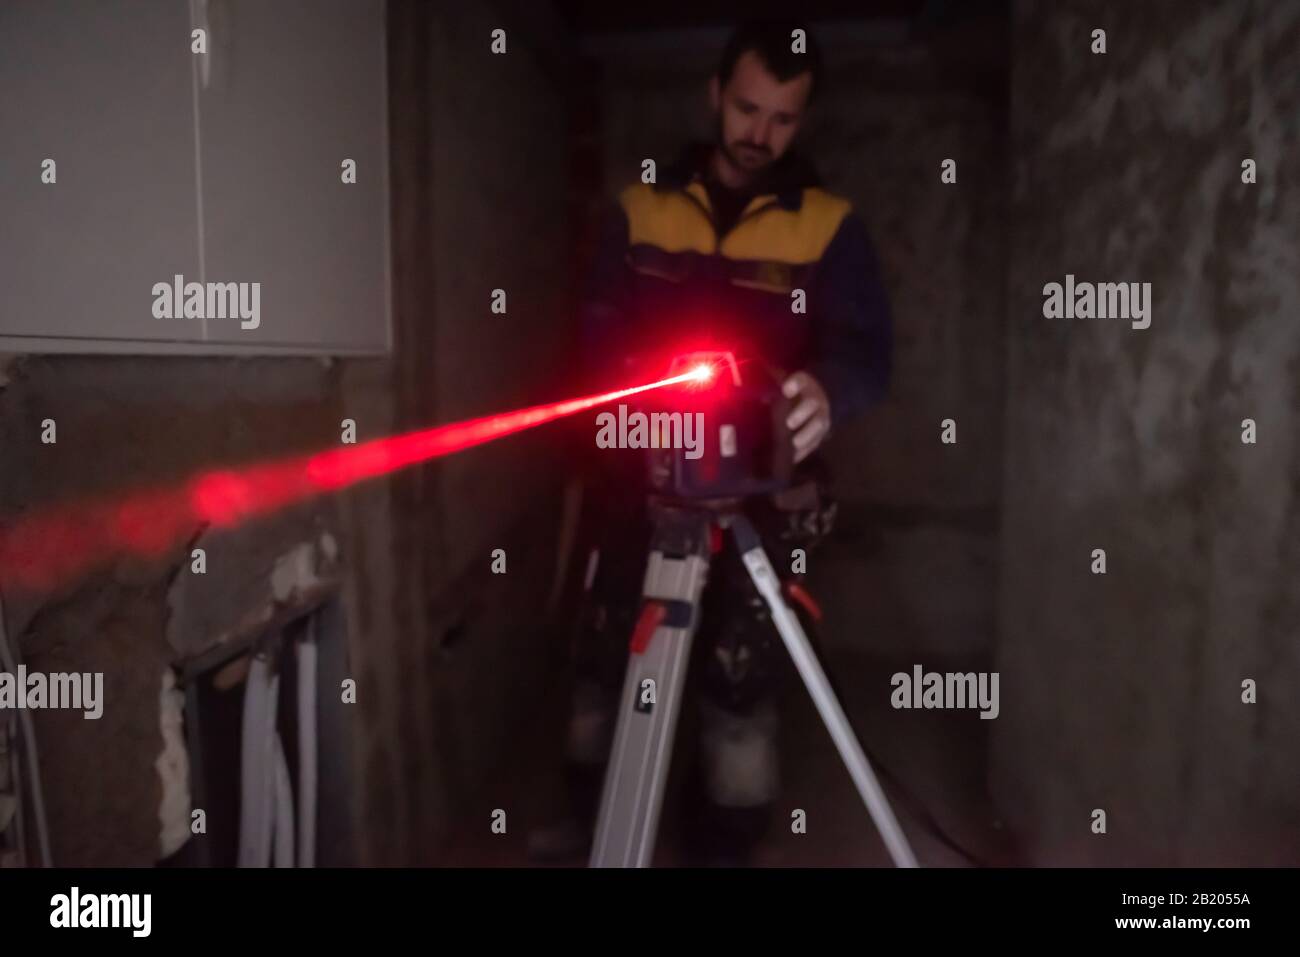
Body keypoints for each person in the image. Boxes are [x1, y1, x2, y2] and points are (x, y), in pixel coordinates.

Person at [530, 19, 893, 866]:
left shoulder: (830, 227)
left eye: (782, 118)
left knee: (740, 685)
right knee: (602, 669)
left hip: (763, 498)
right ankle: (595, 826)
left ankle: (727, 848)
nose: (758, 134)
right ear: (714, 96)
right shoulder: (643, 205)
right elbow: (591, 327)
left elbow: (868, 351)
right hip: (637, 485)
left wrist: (828, 393)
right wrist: (633, 380)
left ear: (805, 121)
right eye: (746, 107)